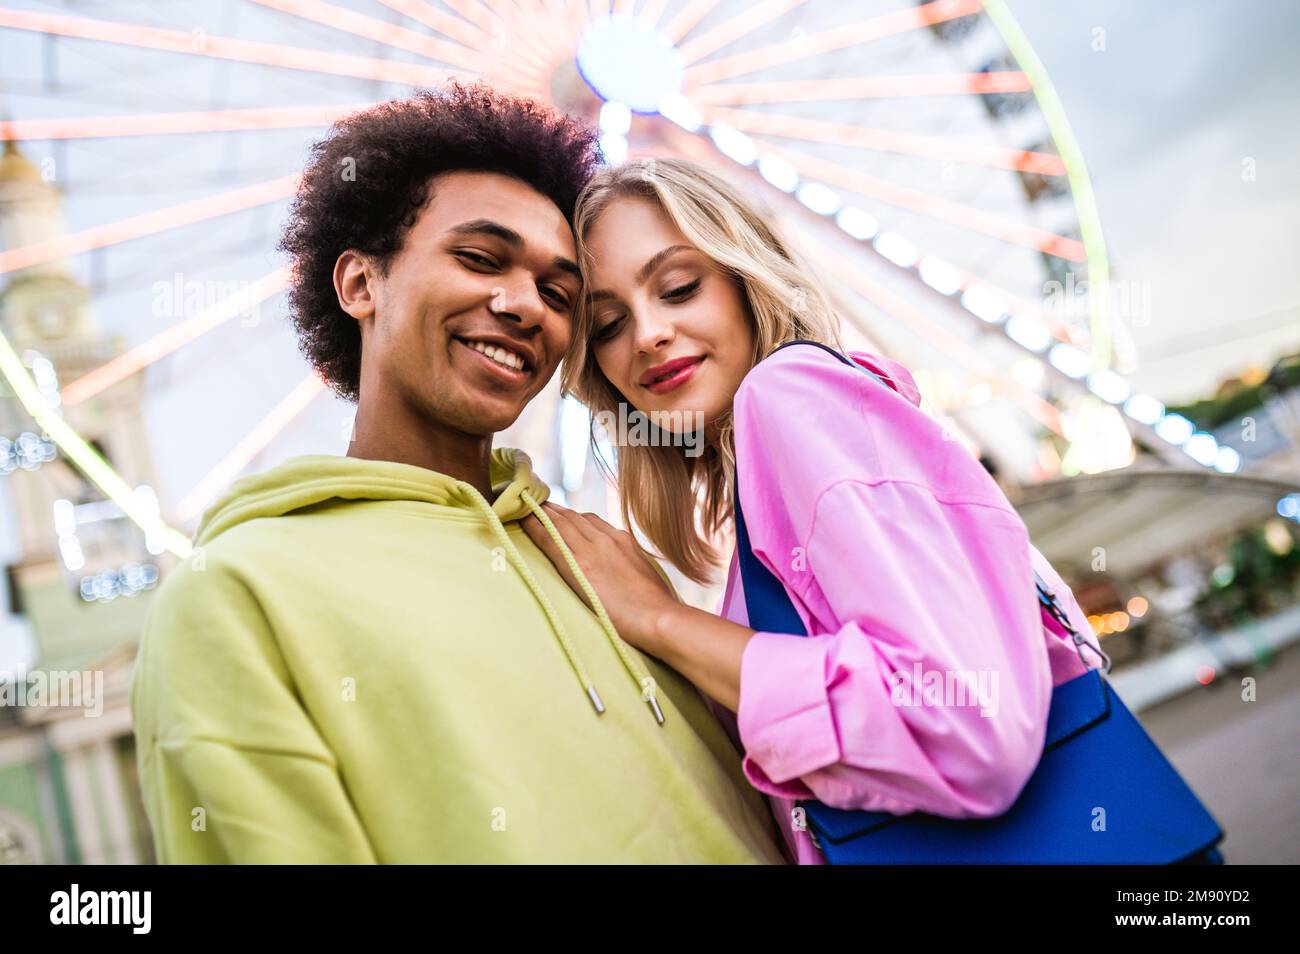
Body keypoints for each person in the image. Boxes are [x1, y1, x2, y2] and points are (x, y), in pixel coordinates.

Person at [129, 89, 786, 864]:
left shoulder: (600, 560)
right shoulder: (237, 596)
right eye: (479, 259)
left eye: (560, 293)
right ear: (359, 286)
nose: (522, 306)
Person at [521, 157, 1108, 865]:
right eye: (608, 324)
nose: (648, 334)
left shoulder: (791, 394)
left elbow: (968, 725)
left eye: (678, 287)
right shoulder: (772, 505)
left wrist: (660, 620)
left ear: (745, 279)